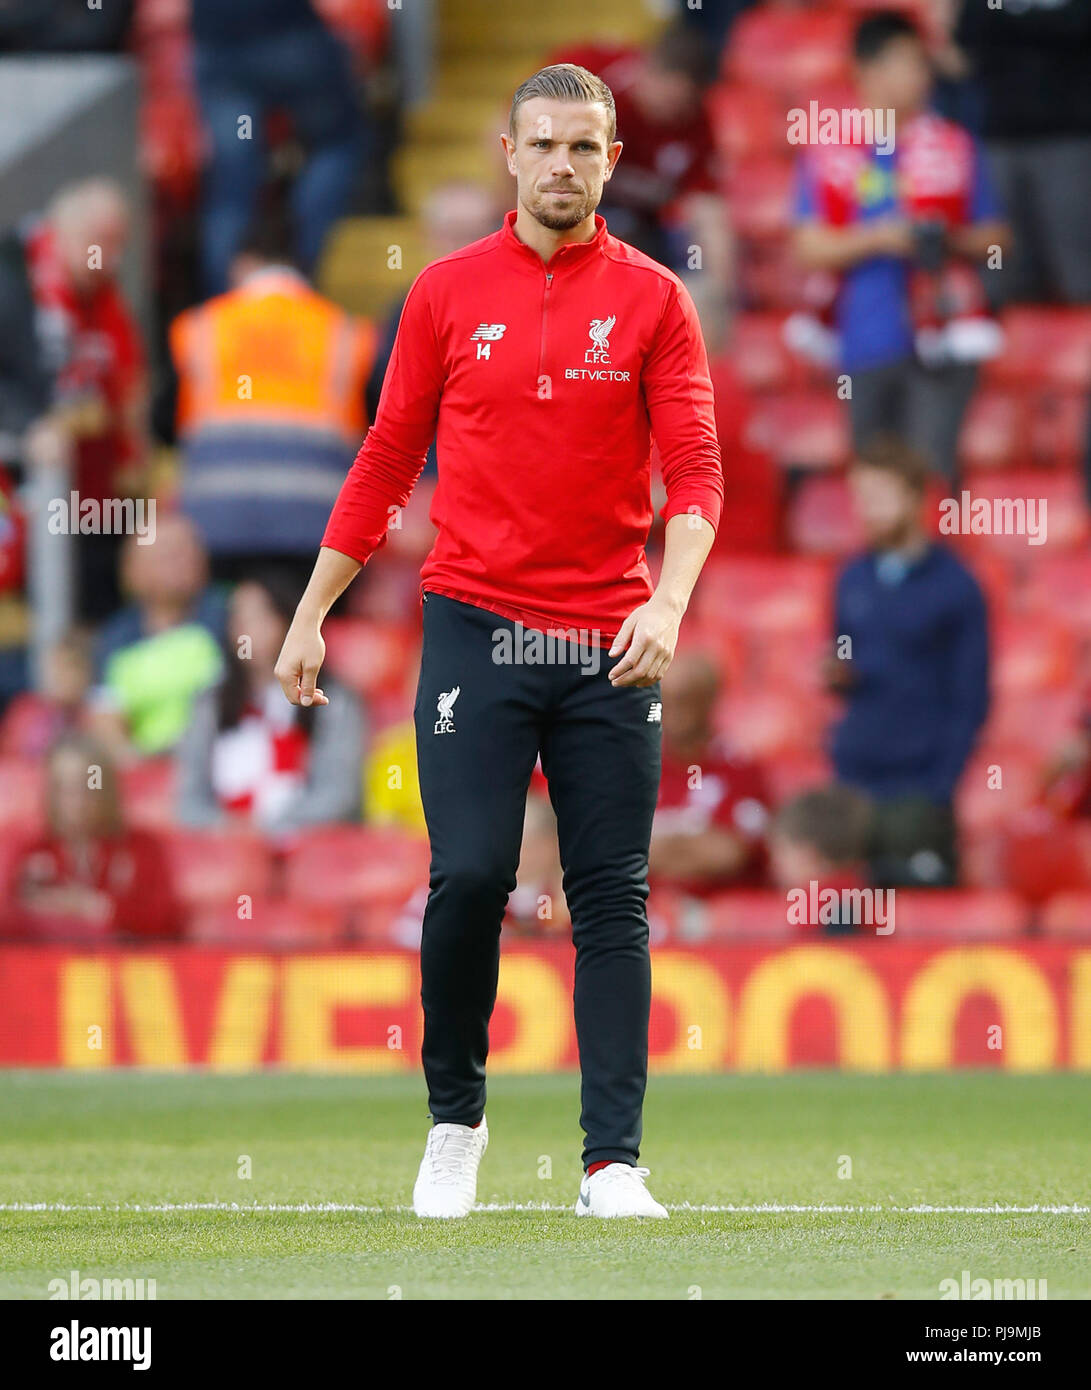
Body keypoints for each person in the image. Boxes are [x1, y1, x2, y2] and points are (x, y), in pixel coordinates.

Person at [275, 63, 723, 1219]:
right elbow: (386, 459)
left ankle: (609, 1162)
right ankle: (454, 1123)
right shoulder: (442, 293)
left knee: (608, 893)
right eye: (543, 144)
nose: (561, 164)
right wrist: (312, 610)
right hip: (475, 626)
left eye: (583, 146)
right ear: (509, 155)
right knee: (470, 872)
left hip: (607, 635)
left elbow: (695, 470)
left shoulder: (654, 300)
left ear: (610, 160)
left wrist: (667, 602)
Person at [792, 11, 1010, 481]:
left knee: (931, 475)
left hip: (944, 334)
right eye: (908, 62)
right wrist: (879, 238)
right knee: (874, 479)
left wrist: (946, 238)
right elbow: (807, 247)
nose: (921, 76)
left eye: (923, 63)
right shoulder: (831, 150)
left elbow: (996, 238)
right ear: (867, 69)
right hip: (861, 337)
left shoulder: (954, 145)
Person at [169, 223, 377, 584]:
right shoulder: (345, 331)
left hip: (218, 524)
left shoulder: (200, 326)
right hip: (318, 527)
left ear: (242, 264)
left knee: (230, 618)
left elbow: (164, 422)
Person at [827, 435, 989, 887]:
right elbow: (843, 654)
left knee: (910, 904)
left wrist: (940, 786)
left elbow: (972, 697)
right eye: (861, 498)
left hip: (919, 788)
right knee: (840, 906)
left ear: (916, 497)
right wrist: (838, 675)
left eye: (880, 496)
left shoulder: (957, 586)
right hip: (853, 778)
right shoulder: (851, 577)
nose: (868, 510)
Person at [0, 178, 146, 619]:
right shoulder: (12, 274)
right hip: (23, 487)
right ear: (62, 228)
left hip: (93, 495)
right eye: (101, 241)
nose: (110, 258)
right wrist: (29, 425)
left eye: (119, 245)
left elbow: (124, 377)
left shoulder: (104, 299)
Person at [190, 0, 366, 295]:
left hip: (221, 50)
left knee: (232, 187)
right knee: (338, 141)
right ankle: (300, 275)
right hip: (288, 40)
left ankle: (228, 301)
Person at [177, 569, 362, 835]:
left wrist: (271, 828)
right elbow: (189, 801)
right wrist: (230, 829)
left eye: (260, 616)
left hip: (307, 846)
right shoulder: (210, 703)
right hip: (228, 848)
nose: (246, 630)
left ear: (290, 622)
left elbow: (339, 795)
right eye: (238, 617)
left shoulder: (332, 700)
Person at [956, 0, 1091, 306]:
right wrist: (1045, 28)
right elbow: (971, 30)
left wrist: (1011, 25)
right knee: (1001, 268)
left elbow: (1080, 24)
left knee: (1079, 270)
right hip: (1000, 141)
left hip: (1071, 141)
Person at [2, 732, 181, 942]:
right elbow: (12, 925)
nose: (77, 799)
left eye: (88, 785)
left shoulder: (141, 849)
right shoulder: (33, 854)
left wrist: (94, 906)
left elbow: (163, 922)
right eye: (64, 788)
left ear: (108, 790)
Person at [90, 515, 224, 759]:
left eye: (188, 552)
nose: (182, 563)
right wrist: (136, 765)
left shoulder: (228, 617)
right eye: (168, 555)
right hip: (144, 768)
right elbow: (105, 719)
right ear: (132, 570)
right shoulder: (115, 637)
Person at [650, 650, 771, 895]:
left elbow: (731, 855)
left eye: (684, 698)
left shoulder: (740, 769)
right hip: (648, 908)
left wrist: (659, 849)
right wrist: (693, 842)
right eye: (663, 699)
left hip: (722, 909)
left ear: (709, 700)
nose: (672, 710)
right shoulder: (639, 767)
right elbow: (614, 852)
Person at [768, 785, 874, 935]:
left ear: (807, 855)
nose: (773, 865)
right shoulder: (859, 888)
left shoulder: (831, 904)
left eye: (781, 853)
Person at [0, 630, 92, 758]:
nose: (57, 676)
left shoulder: (95, 719)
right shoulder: (24, 711)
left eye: (67, 667)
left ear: (86, 673)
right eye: (53, 667)